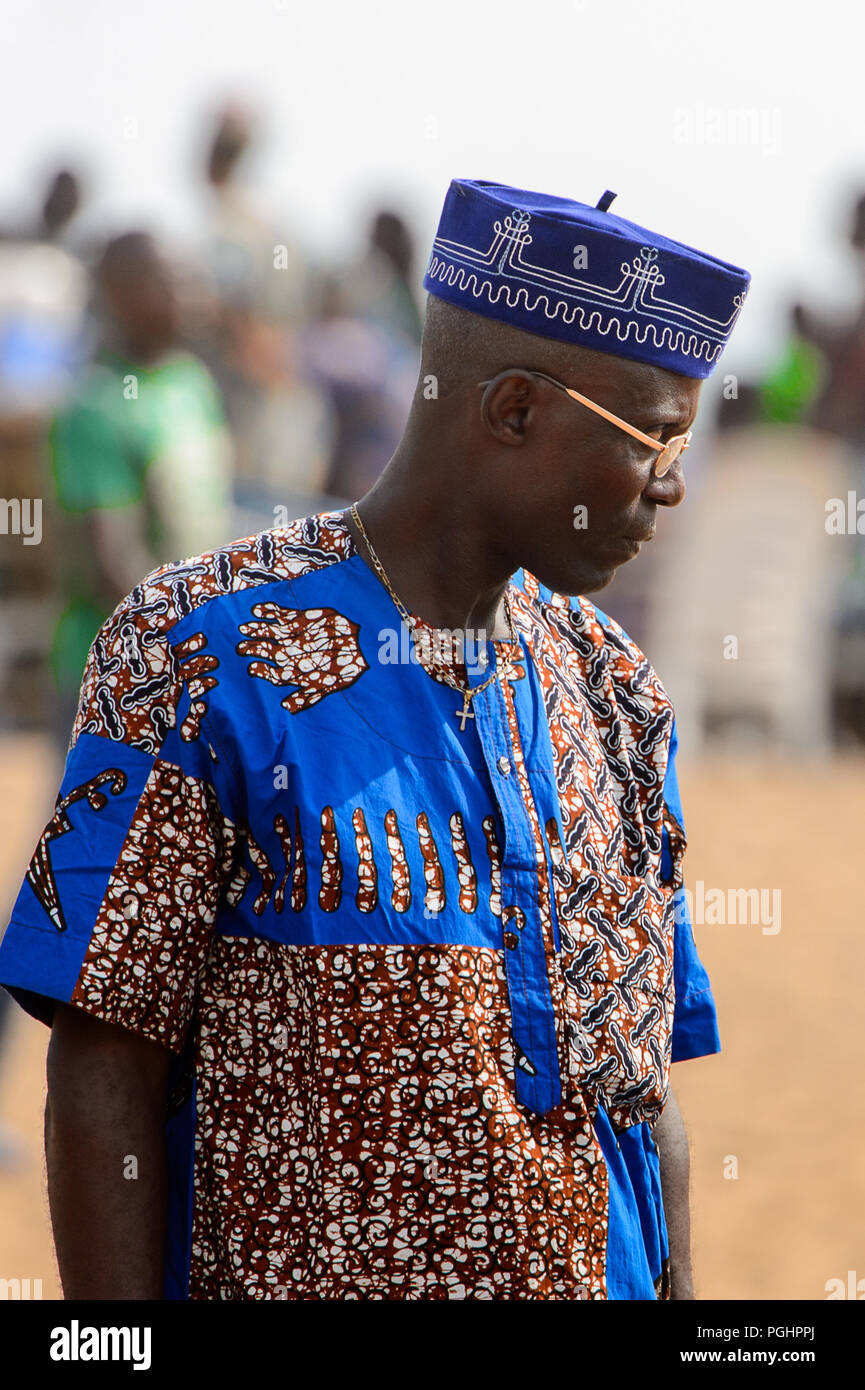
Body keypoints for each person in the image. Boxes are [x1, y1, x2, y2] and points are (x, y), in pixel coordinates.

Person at [0, 178, 750, 1300]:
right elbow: (105, 1059)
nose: (671, 484)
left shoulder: (613, 688)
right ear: (509, 411)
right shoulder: (200, 652)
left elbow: (642, 1095)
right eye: (652, 436)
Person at [46, 231, 234, 740]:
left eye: (190, 279)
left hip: (190, 662)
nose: (187, 293)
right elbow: (113, 567)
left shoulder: (191, 385)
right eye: (168, 282)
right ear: (119, 292)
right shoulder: (97, 409)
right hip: (119, 676)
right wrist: (199, 650)